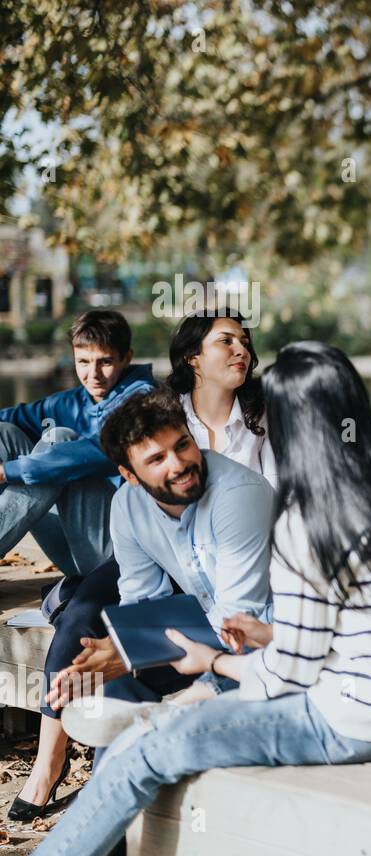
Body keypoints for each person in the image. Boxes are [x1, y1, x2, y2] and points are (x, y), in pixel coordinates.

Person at [24, 342, 371, 856]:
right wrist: (251, 643)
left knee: (145, 746)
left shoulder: (306, 519)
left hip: (354, 721)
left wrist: (212, 669)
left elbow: (288, 677)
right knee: (139, 715)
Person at [7, 311, 278, 823]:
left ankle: (108, 822)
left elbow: (237, 622)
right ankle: (100, 819)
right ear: (128, 476)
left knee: (126, 680)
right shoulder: (128, 507)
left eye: (182, 446)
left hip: (261, 652)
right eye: (157, 461)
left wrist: (129, 651)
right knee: (104, 670)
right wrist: (122, 651)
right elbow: (143, 604)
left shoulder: (238, 490)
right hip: (198, 621)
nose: (177, 463)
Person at [0, 310, 155, 577]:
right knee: (5, 432)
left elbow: (101, 452)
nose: (93, 374)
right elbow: (10, 418)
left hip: (117, 558)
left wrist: (7, 471)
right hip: (73, 551)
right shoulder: (72, 402)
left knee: (59, 440)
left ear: (126, 358)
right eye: (83, 361)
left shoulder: (145, 402)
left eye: (105, 362)